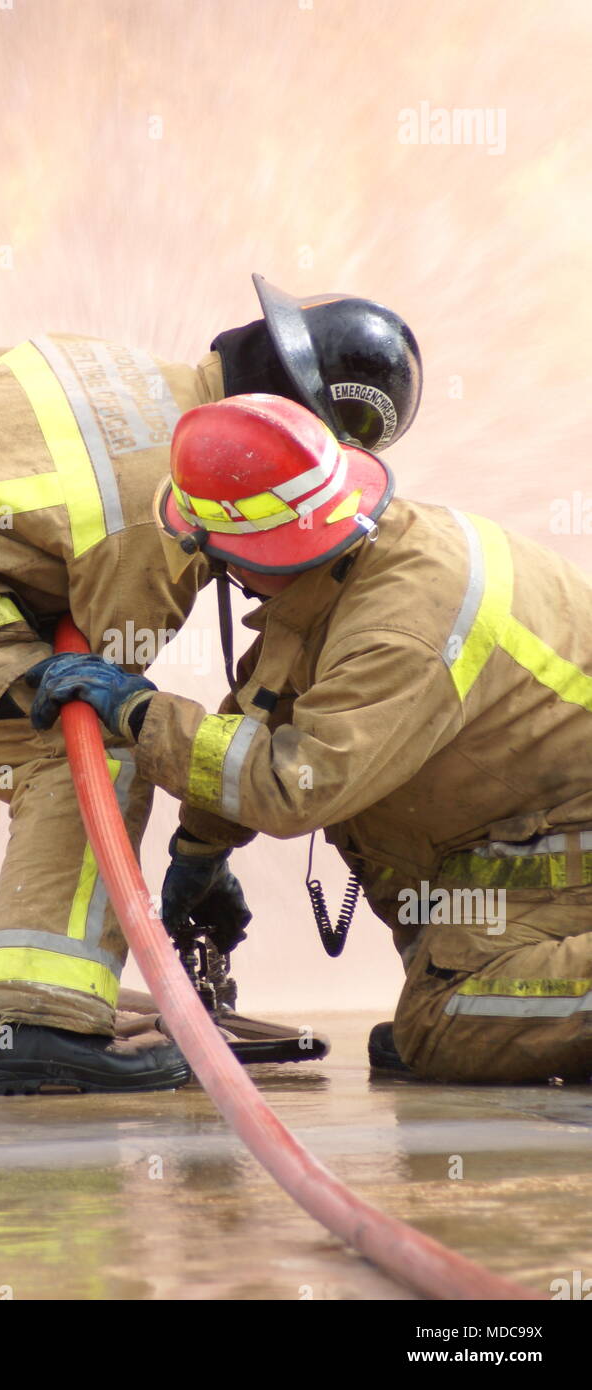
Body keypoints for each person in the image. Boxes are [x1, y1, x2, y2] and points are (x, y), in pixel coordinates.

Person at [0, 276, 420, 1094]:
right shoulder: (173, 501)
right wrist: (205, 846)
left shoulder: (99, 363)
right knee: (86, 747)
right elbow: (112, 688)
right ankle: (43, 1023)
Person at [32, 392, 592, 1086]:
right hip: (531, 851)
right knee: (444, 1019)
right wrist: (202, 849)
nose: (218, 576)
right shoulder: (352, 562)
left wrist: (139, 713)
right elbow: (269, 704)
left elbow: (294, 782)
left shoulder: (397, 631)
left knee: (445, 1021)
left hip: (559, 867)